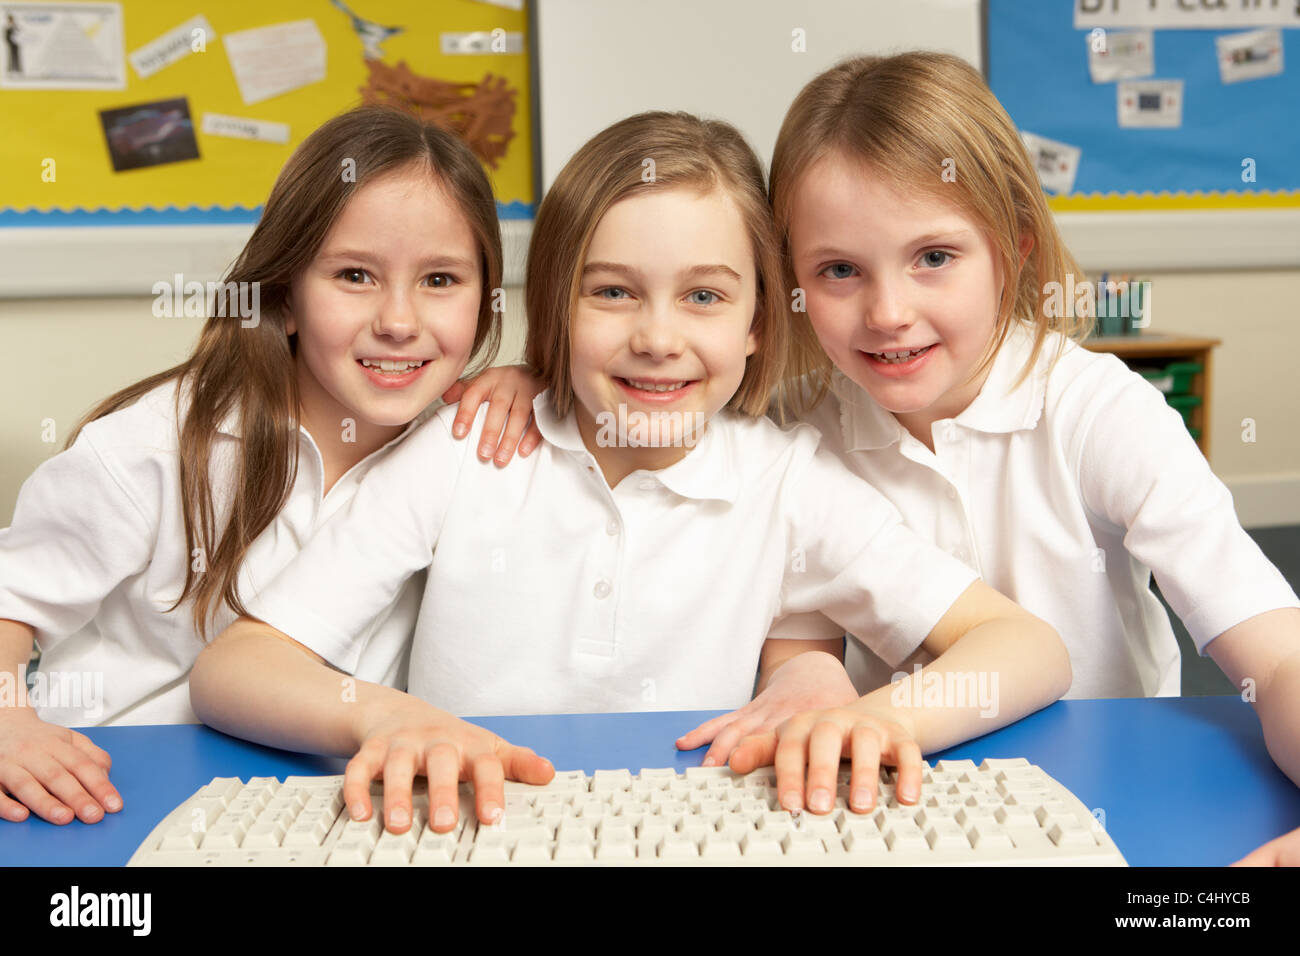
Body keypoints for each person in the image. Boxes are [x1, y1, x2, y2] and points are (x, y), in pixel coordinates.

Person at [189, 111, 1070, 841]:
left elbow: (1028, 649)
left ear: (762, 321)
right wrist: (378, 717)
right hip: (467, 832)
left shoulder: (789, 483)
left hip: (699, 838)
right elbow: (239, 667)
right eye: (611, 293)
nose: (656, 337)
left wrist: (880, 721)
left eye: (705, 296)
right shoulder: (468, 448)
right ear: (557, 310)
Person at [762, 51, 1300, 862]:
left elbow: (1278, 652)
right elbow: (801, 639)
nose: (888, 312)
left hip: (1109, 802)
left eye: (934, 258)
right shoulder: (791, 426)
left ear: (1013, 247)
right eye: (839, 270)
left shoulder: (1097, 410)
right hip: (898, 804)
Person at [0, 105, 539, 827]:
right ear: (284, 297)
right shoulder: (156, 446)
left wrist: (541, 382)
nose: (399, 321)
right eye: (355, 275)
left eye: (441, 280)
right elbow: (13, 599)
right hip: (108, 794)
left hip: (321, 805)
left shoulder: (472, 443)